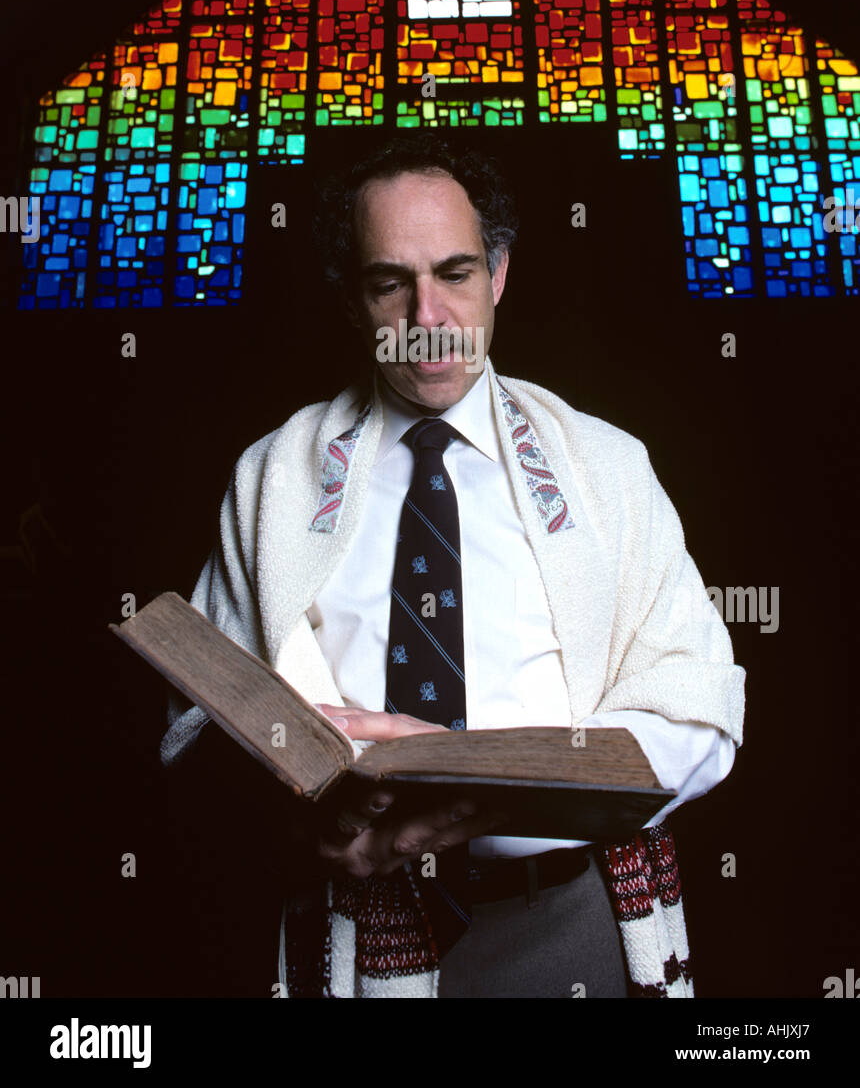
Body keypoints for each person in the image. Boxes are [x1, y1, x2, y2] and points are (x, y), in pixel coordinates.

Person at [160, 134, 745, 999]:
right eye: (390, 283)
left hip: (567, 922)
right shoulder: (274, 480)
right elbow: (200, 724)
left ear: (499, 274)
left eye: (457, 274)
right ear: (354, 300)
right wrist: (294, 807)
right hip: (360, 925)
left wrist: (503, 787)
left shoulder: (607, 468)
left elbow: (700, 712)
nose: (427, 318)